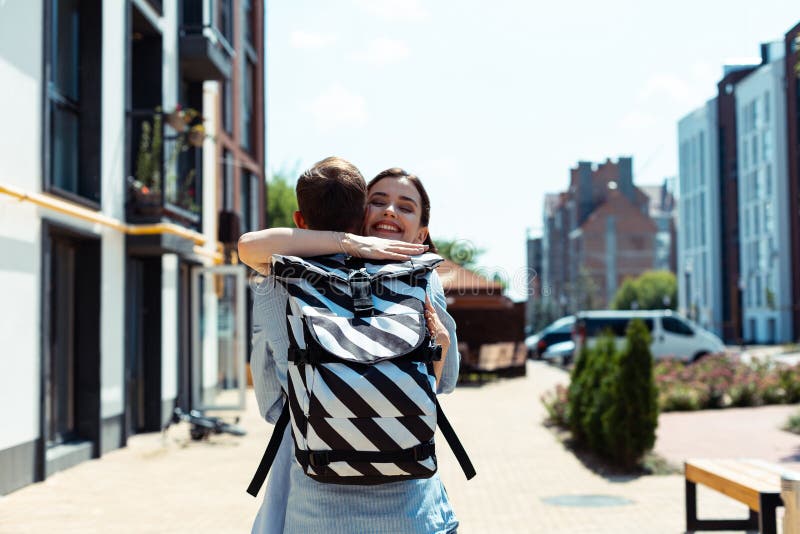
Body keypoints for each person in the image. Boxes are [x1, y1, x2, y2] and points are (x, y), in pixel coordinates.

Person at [239, 158, 460, 534]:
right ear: (361, 216)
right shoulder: (424, 282)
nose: (389, 211)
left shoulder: (279, 285)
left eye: (404, 206)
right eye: (379, 202)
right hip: (416, 516)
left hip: (317, 516)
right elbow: (443, 383)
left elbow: (274, 407)